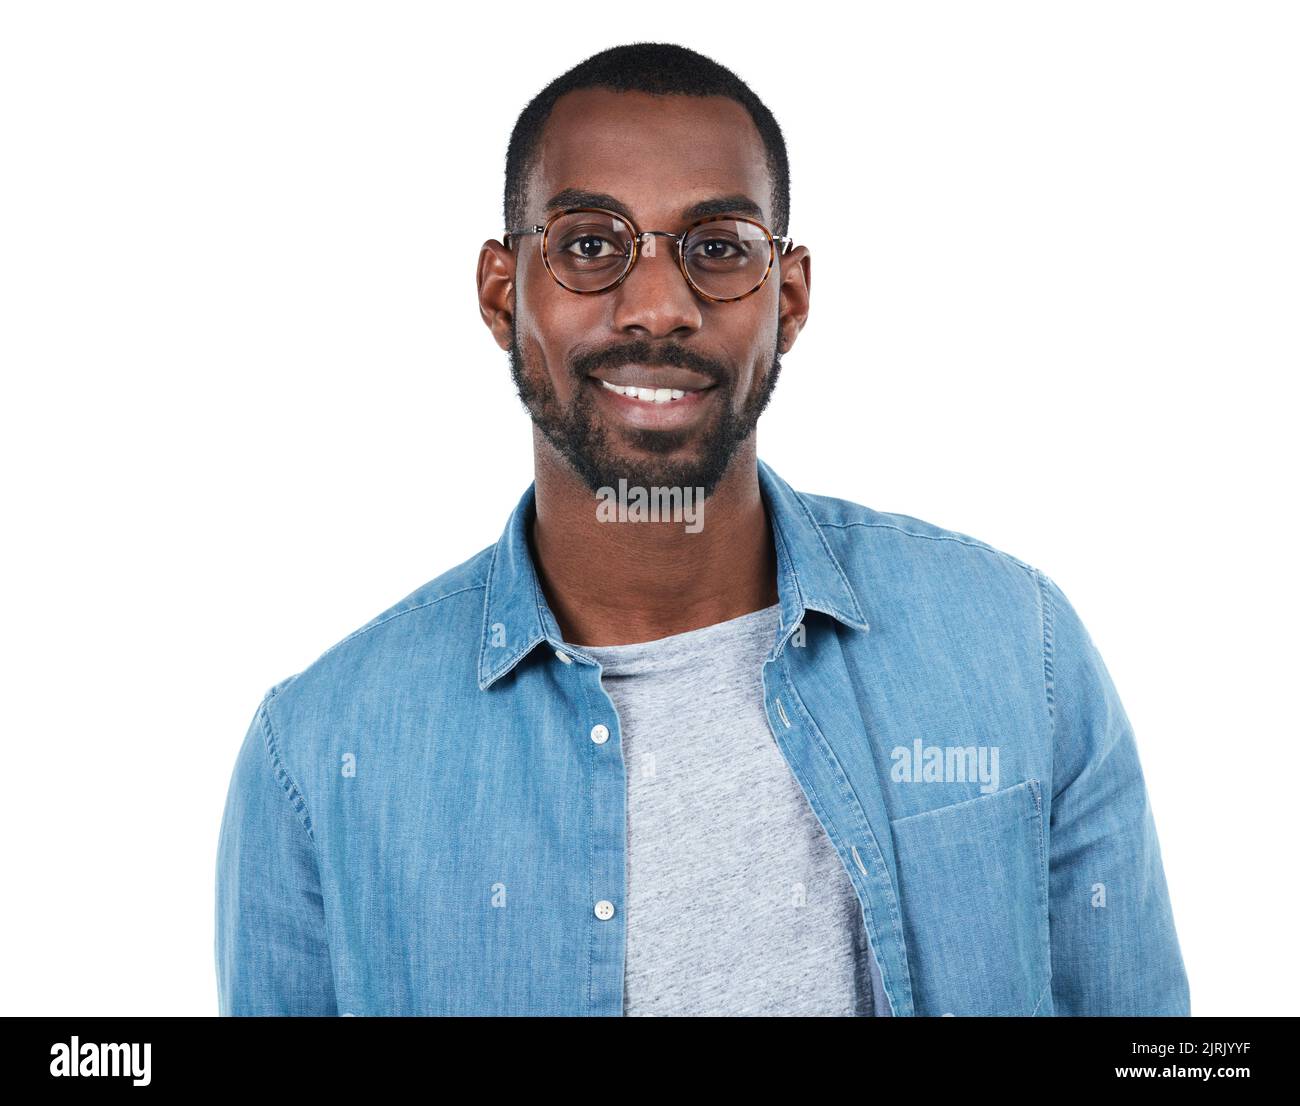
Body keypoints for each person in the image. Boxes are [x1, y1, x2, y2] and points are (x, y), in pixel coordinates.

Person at [215, 41, 1190, 1017]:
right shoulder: (318, 755)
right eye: (590, 244)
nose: (656, 307)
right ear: (502, 291)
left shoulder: (1019, 646)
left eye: (717, 247)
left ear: (789, 296)